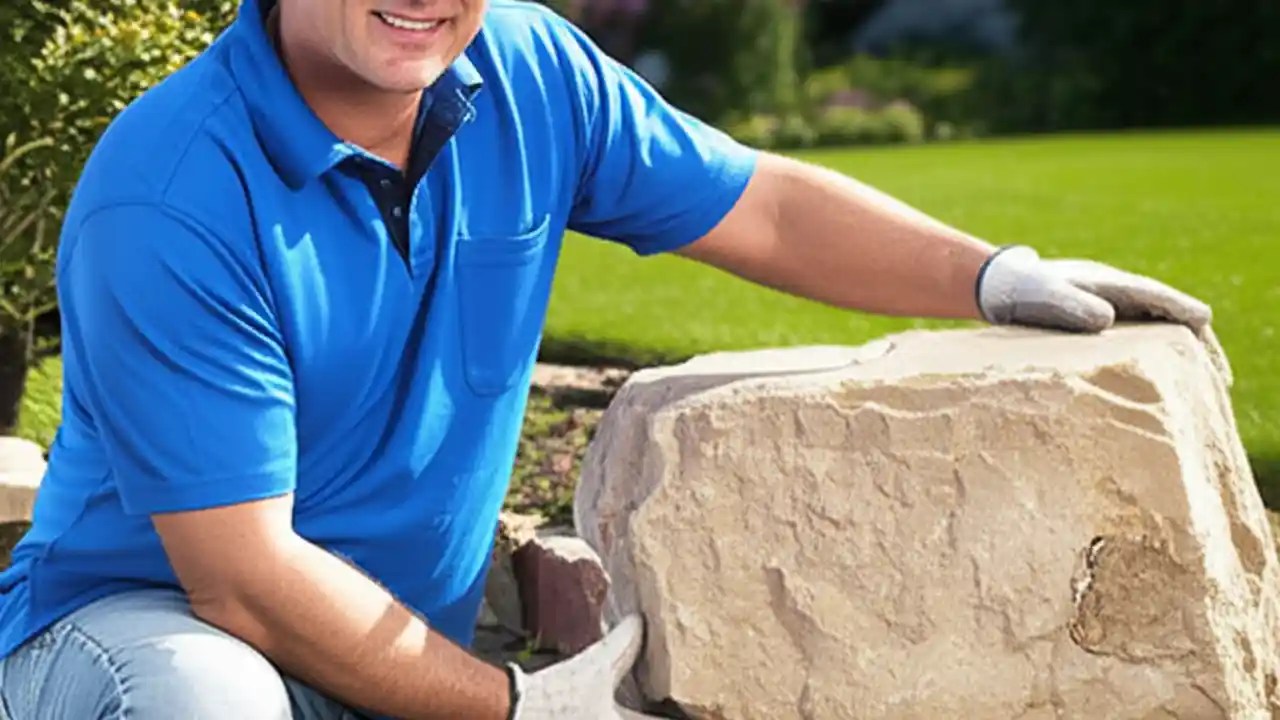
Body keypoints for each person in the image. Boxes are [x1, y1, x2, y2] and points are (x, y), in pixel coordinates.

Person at [0, 0, 1212, 718]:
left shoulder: (528, 74)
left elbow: (765, 210)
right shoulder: (170, 195)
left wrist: (991, 275)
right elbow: (243, 584)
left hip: (379, 662)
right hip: (135, 637)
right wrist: (520, 705)